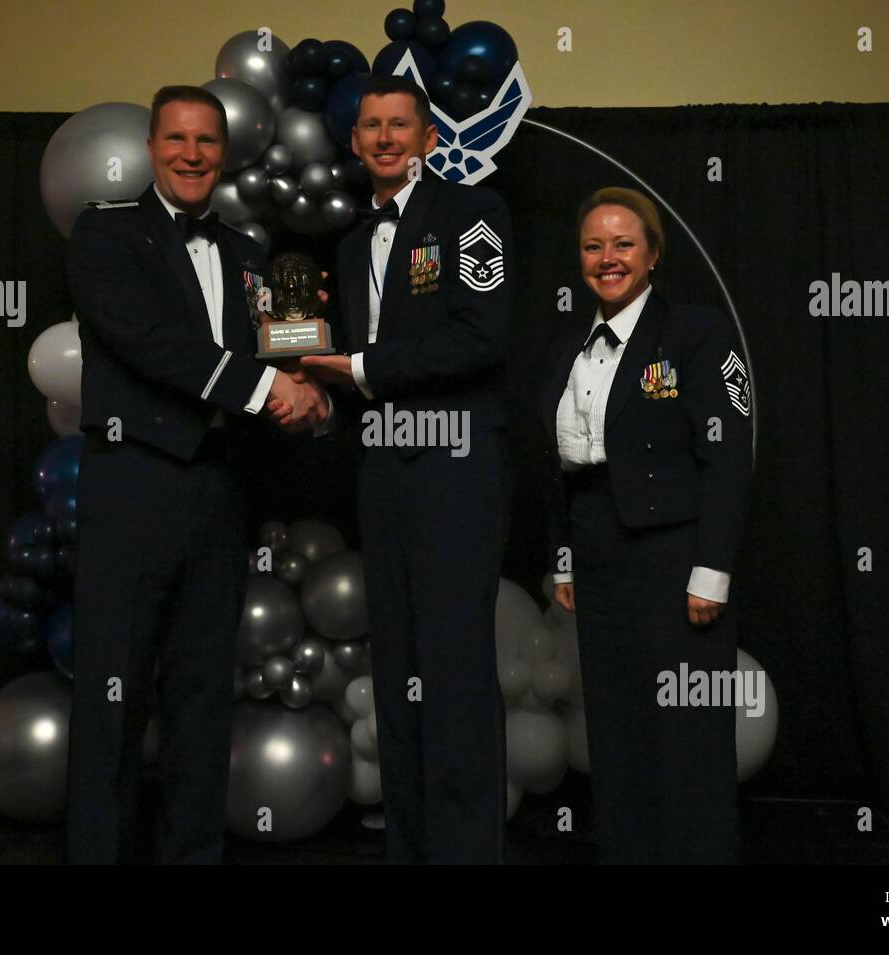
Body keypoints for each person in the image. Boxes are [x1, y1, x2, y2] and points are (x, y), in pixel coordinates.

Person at [64, 85, 328, 864]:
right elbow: (153, 344)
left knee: (204, 698)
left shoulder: (250, 252)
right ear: (151, 148)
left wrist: (311, 394)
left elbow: (283, 353)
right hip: (132, 488)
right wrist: (265, 388)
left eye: (206, 141)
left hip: (218, 490)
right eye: (176, 139)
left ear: (225, 153)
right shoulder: (105, 234)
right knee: (113, 698)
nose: (190, 154)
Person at [300, 75, 514, 864]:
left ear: (428, 137)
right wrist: (313, 391)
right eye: (371, 127)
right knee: (398, 674)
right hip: (383, 472)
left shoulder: (473, 215)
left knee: (454, 675)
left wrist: (354, 368)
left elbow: (480, 337)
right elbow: (350, 370)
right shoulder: (352, 244)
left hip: (457, 467)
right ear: (353, 143)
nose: (386, 138)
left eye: (401, 125)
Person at [540, 187, 753, 863]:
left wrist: (712, 570)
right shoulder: (567, 347)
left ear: (654, 254)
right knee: (619, 731)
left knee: (685, 736)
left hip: (676, 559)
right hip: (600, 559)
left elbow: (726, 455)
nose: (608, 258)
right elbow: (562, 467)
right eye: (593, 245)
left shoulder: (695, 331)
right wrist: (566, 556)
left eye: (623, 243)